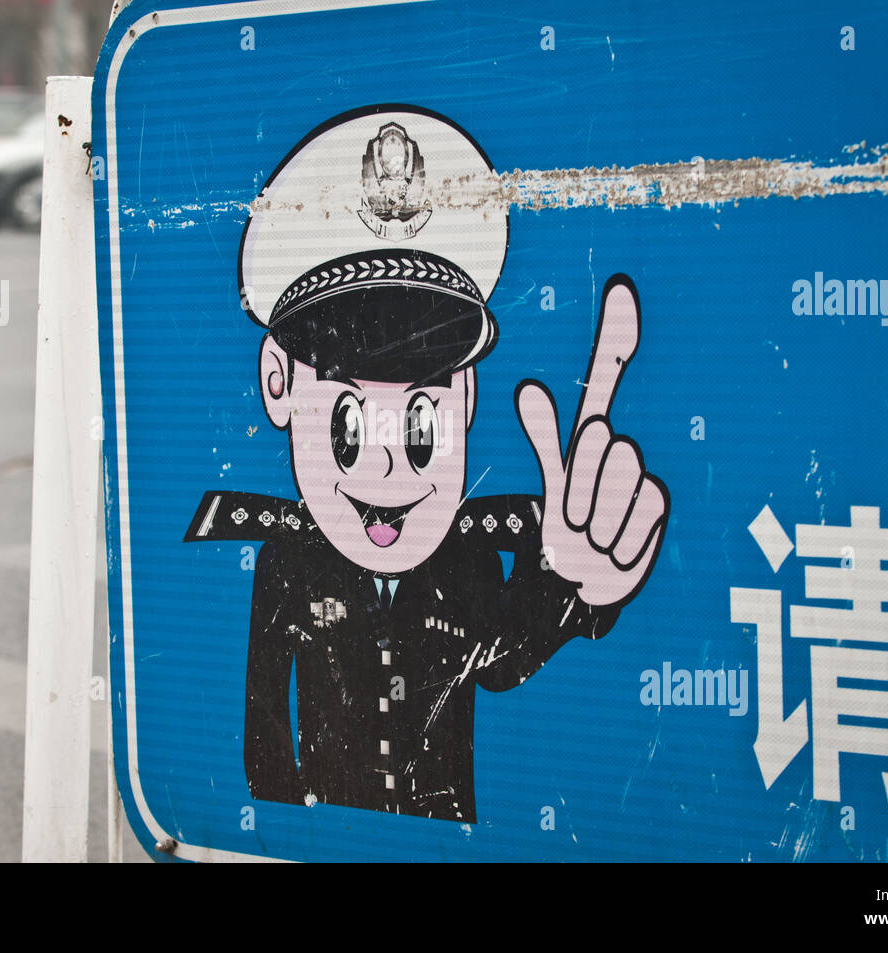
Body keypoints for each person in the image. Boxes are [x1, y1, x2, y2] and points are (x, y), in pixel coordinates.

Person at [184, 107, 669, 822]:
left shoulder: (468, 558)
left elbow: (501, 663)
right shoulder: (287, 561)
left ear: (465, 398)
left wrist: (573, 591)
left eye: (420, 424)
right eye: (347, 424)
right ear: (279, 384)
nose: (387, 466)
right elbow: (265, 723)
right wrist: (283, 832)